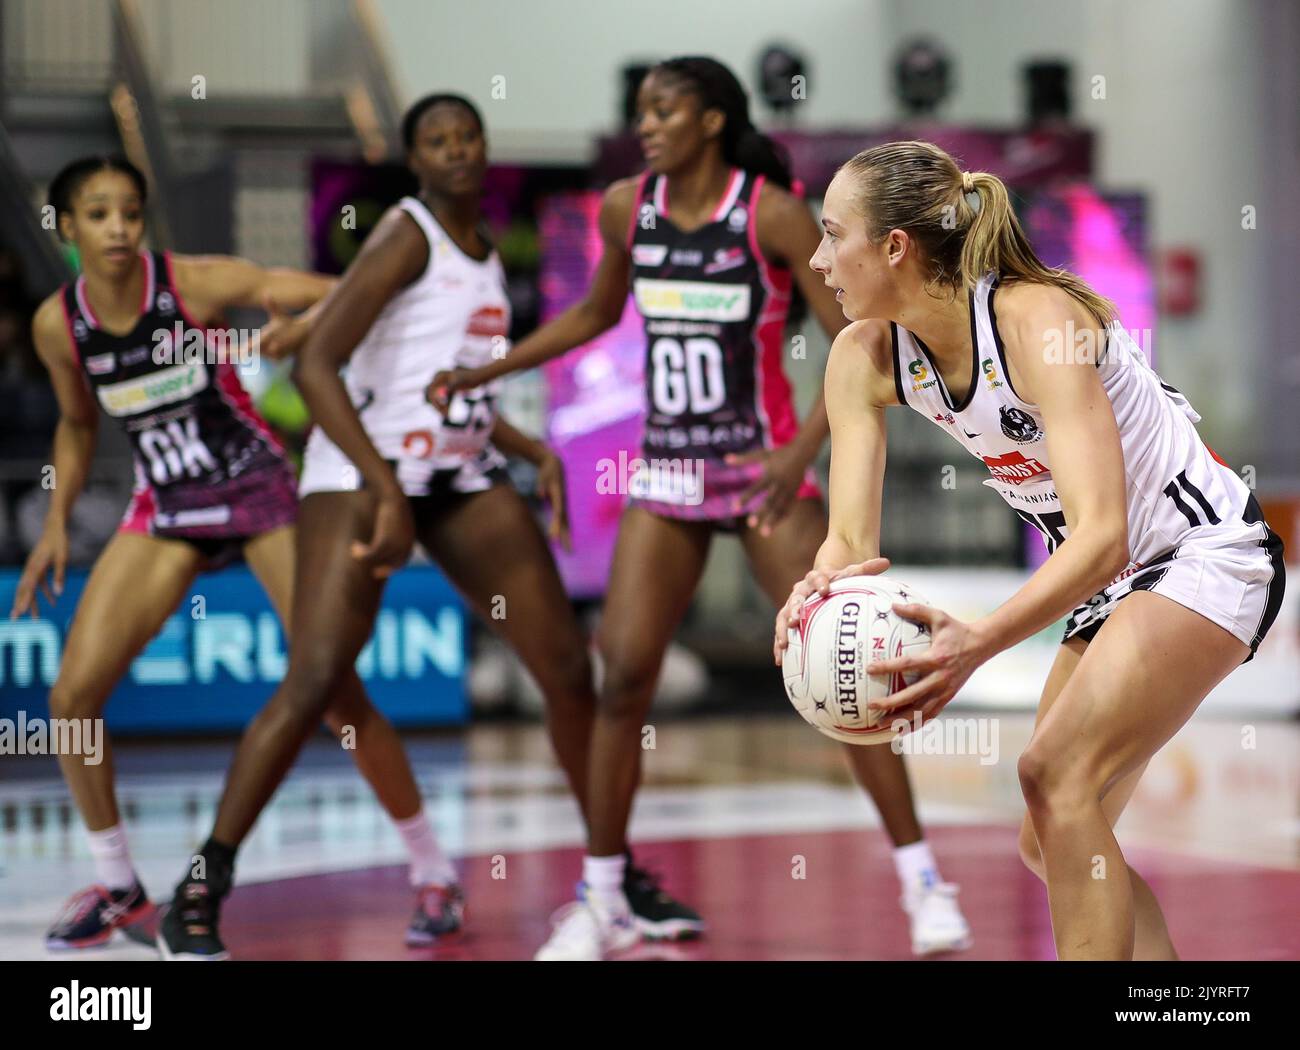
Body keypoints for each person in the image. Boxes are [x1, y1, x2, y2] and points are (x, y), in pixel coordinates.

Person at [433, 60, 970, 960]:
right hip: (669, 473)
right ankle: (602, 899)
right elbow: (595, 316)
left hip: (760, 473)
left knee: (850, 671)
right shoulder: (624, 208)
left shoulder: (773, 213)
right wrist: (490, 372)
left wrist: (802, 450)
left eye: (664, 110)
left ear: (713, 120)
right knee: (624, 679)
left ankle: (923, 883)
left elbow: (857, 340)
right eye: (641, 110)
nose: (646, 125)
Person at [156, 94, 696, 960]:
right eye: (436, 141)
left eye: (467, 136)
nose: (456, 150)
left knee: (565, 671)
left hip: (459, 473)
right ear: (416, 162)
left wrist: (526, 444)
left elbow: (447, 383)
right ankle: (199, 889)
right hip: (359, 472)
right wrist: (384, 488)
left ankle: (612, 869)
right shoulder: (406, 234)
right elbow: (319, 362)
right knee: (318, 678)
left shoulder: (481, 253)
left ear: (484, 148)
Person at [776, 140, 1285, 960]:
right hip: (1114, 580)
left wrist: (978, 642)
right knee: (1049, 839)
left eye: (835, 235)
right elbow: (848, 543)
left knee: (1057, 777)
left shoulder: (1038, 321)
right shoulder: (861, 357)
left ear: (896, 246)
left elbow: (1101, 532)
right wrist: (813, 599)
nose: (817, 256)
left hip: (1205, 551)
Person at [14, 155, 455, 953]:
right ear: (67, 228)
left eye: (130, 212)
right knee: (72, 699)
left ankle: (435, 872)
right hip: (167, 505)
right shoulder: (57, 324)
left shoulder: (196, 284)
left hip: (258, 492)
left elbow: (333, 294)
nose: (118, 228)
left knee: (332, 690)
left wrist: (313, 327)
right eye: (99, 214)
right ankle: (118, 888)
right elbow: (78, 425)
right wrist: (56, 521)